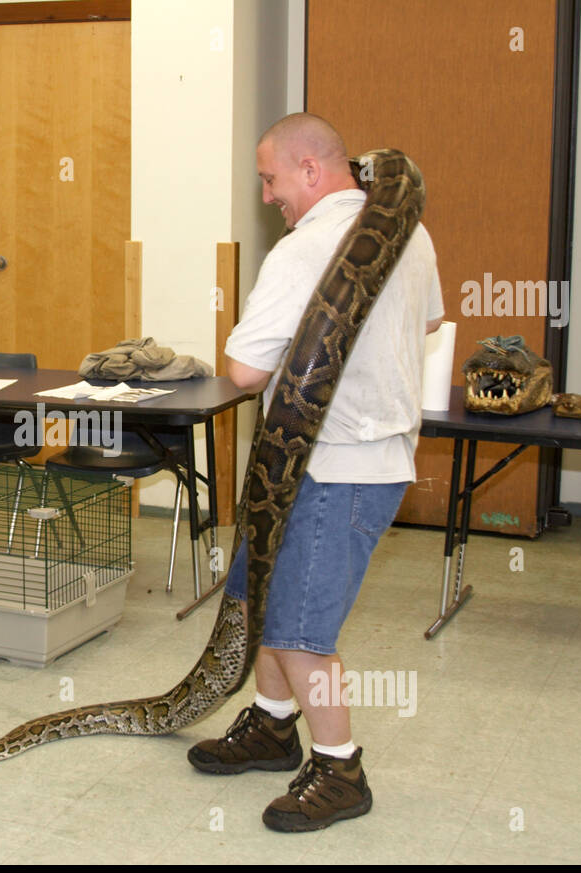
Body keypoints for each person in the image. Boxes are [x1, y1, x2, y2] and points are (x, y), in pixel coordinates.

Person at [188, 113, 444, 831]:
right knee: (272, 598)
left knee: (301, 628)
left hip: (332, 466)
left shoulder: (302, 252)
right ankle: (273, 725)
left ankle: (340, 768)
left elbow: (243, 369)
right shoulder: (412, 234)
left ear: (309, 169)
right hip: (373, 460)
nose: (268, 195)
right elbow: (426, 326)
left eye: (270, 179)